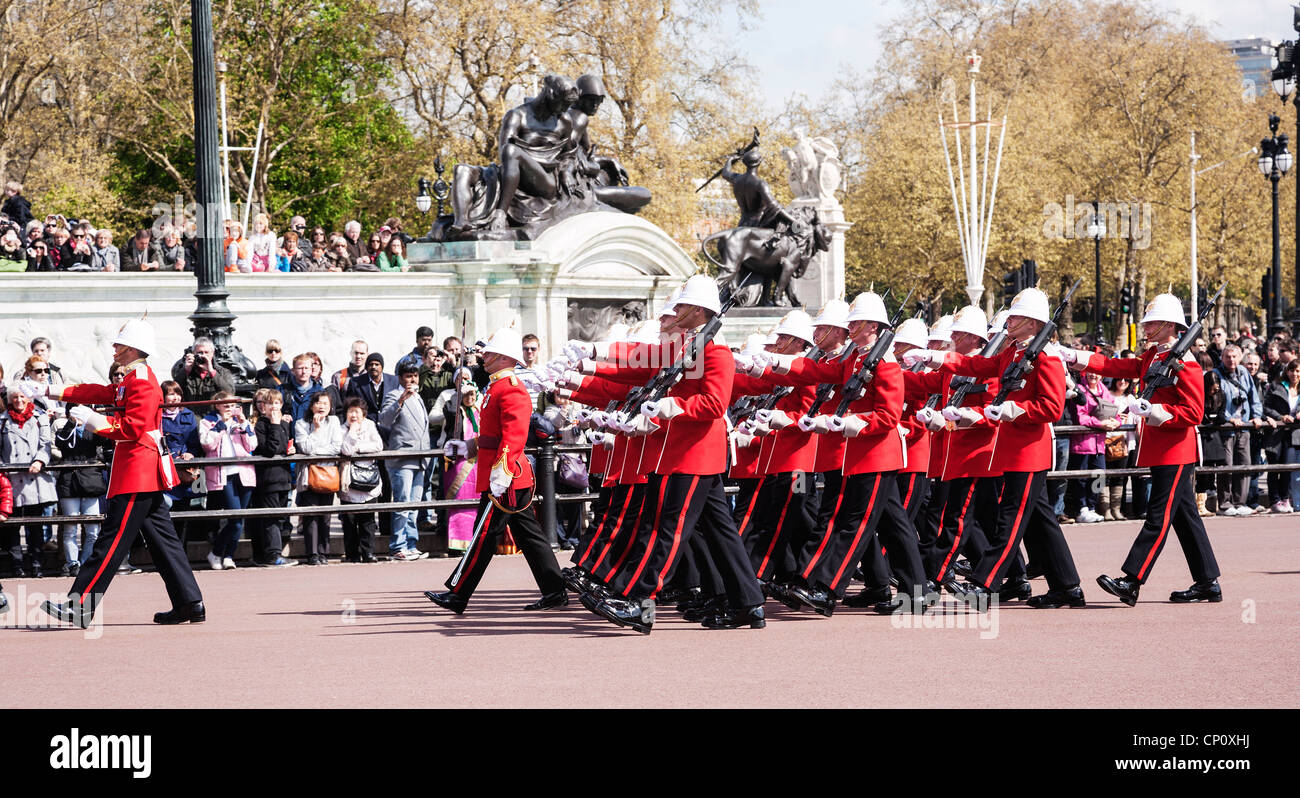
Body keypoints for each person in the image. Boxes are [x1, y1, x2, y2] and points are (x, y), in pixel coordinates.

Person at [37, 318, 205, 627]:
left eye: (118, 343)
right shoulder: (133, 377)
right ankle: (189, 602)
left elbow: (132, 428)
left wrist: (93, 421)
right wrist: (53, 390)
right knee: (164, 541)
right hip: (139, 470)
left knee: (110, 542)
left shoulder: (141, 379)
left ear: (130, 348)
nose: (114, 347)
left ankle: (80, 605)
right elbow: (104, 393)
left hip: (137, 472)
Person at [1060, 291, 1222, 607]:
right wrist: (1074, 356)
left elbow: (1193, 413)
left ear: (1167, 325)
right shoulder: (1154, 356)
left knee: (1158, 517)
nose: (1145, 327)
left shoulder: (1185, 362)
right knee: (1186, 517)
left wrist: (1153, 412)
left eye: (1151, 323)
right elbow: (1116, 366)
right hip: (1161, 448)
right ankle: (1207, 582)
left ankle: (1132, 580)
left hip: (1176, 450)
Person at [425, 321, 568, 614]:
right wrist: (468, 447)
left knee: (484, 536)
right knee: (529, 536)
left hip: (505, 476)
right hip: (502, 474)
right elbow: (493, 435)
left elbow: (514, 436)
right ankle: (554, 590)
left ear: (505, 358)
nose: (484, 357)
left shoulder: (511, 389)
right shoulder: (497, 387)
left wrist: (502, 469)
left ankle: (459, 593)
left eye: (490, 354)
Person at [1, 389, 56, 577]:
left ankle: (37, 564)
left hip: (34, 479)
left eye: (22, 396)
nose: (18, 400)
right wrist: (3, 468)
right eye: (15, 397)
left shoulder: (39, 418)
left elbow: (46, 443)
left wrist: (40, 460)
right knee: (13, 527)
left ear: (28, 398)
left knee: (35, 525)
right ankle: (17, 565)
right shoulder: (2, 420)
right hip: (12, 479)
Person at [200, 391, 257, 570]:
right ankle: (218, 552)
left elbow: (252, 445)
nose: (230, 409)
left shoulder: (240, 421)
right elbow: (207, 444)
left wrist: (244, 424)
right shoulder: (207, 422)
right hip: (223, 473)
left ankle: (227, 556)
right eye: (226, 405)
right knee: (235, 517)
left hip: (244, 472)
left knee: (240, 517)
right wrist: (221, 425)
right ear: (217, 405)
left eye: (232, 405)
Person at [379, 362, 430, 560]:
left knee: (414, 505)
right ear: (400, 378)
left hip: (421, 458)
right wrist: (400, 400)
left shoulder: (419, 397)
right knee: (402, 503)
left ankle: (410, 543)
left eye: (415, 376)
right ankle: (397, 546)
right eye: (408, 376)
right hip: (402, 458)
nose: (412, 380)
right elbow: (383, 419)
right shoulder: (394, 395)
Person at [53, 404, 112, 577]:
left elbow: (105, 439)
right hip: (69, 481)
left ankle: (86, 562)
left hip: (90, 480)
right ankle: (72, 563)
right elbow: (60, 442)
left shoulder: (91, 428)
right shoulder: (63, 427)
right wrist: (72, 423)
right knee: (70, 527)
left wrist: (93, 419)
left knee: (93, 528)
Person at [1214, 344, 1263, 516]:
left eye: (1234, 356)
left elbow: (1254, 397)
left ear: (1240, 357)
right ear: (1222, 358)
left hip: (1245, 427)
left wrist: (1256, 416)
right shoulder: (1216, 375)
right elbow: (1215, 402)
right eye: (1228, 356)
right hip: (1227, 428)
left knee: (1244, 464)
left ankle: (1240, 502)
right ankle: (1225, 504)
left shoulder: (1244, 373)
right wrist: (1228, 419)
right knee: (1226, 466)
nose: (1231, 360)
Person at [250, 388, 296, 567]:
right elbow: (269, 450)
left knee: (279, 517)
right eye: (270, 403)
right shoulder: (261, 425)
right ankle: (272, 554)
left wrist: (292, 449)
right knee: (270, 517)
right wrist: (275, 425)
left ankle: (272, 552)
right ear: (264, 406)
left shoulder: (285, 424)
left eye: (277, 403)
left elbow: (284, 446)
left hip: (283, 477)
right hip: (268, 479)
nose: (273, 407)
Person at [294, 391, 342, 565]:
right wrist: (316, 430)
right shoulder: (301, 423)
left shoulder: (335, 421)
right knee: (311, 514)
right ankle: (312, 553)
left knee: (325, 515)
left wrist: (316, 450)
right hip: (309, 473)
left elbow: (336, 447)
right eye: (319, 403)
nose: (322, 406)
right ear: (312, 405)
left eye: (326, 404)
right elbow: (305, 448)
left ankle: (324, 551)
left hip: (328, 472)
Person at [1070, 370, 1120, 523]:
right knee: (1081, 478)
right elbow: (1081, 417)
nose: (1094, 375)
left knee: (1099, 476)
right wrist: (1100, 424)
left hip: (1099, 444)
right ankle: (1081, 509)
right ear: (1085, 374)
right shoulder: (1079, 389)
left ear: (1102, 375)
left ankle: (1092, 507)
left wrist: (1117, 422)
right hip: (1082, 443)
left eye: (1097, 373)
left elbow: (1113, 411)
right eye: (1090, 372)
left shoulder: (1103, 390)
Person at [339, 397, 382, 562]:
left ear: (363, 414)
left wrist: (358, 448)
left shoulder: (370, 425)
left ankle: (368, 552)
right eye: (350, 411)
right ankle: (351, 554)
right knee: (349, 521)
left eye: (357, 411)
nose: (354, 415)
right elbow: (345, 450)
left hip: (369, 479)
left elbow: (378, 445)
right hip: (348, 480)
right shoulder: (342, 428)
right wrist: (352, 433)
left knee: (368, 520)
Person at [1264, 360, 1300, 513]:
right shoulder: (1276, 386)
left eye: (1298, 371)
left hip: (1294, 435)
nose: (1295, 374)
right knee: (1274, 468)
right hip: (1276, 432)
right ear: (1287, 371)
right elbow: (1265, 407)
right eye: (1292, 370)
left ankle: (1286, 499)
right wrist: (1281, 417)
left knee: (1287, 468)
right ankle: (1274, 500)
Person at [174, 336, 236, 405]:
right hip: (191, 414)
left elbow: (230, 392)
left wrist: (212, 372)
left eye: (206, 352)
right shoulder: (186, 370)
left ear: (212, 353)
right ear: (193, 353)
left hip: (213, 414)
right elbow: (174, 390)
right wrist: (186, 370)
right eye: (200, 353)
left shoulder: (222, 372)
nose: (203, 356)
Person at [346, 352, 398, 422]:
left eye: (377, 364)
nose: (373, 367)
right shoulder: (355, 382)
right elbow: (350, 404)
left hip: (389, 424)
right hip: (366, 425)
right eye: (371, 364)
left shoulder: (394, 381)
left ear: (382, 366)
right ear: (367, 367)